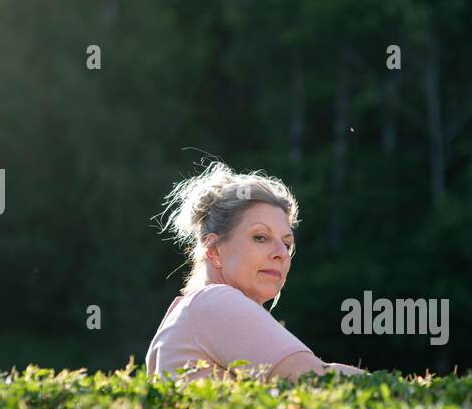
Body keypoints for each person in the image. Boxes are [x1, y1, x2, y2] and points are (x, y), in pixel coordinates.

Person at [145, 160, 366, 383]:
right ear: (214, 250)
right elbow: (314, 378)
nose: (281, 253)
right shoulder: (216, 302)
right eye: (260, 237)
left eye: (287, 243)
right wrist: (398, 390)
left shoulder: (193, 310)